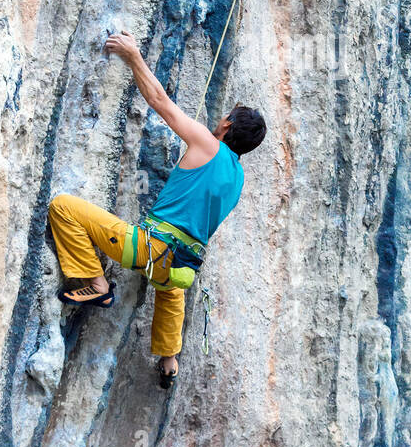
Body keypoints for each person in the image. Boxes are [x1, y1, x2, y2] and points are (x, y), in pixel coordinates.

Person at [48, 31, 266, 388]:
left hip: (150, 250)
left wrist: (133, 56)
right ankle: (169, 361)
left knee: (63, 208)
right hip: (181, 268)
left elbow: (159, 100)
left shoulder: (207, 143)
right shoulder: (238, 179)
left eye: (225, 117)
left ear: (226, 125)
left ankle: (96, 282)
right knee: (169, 292)